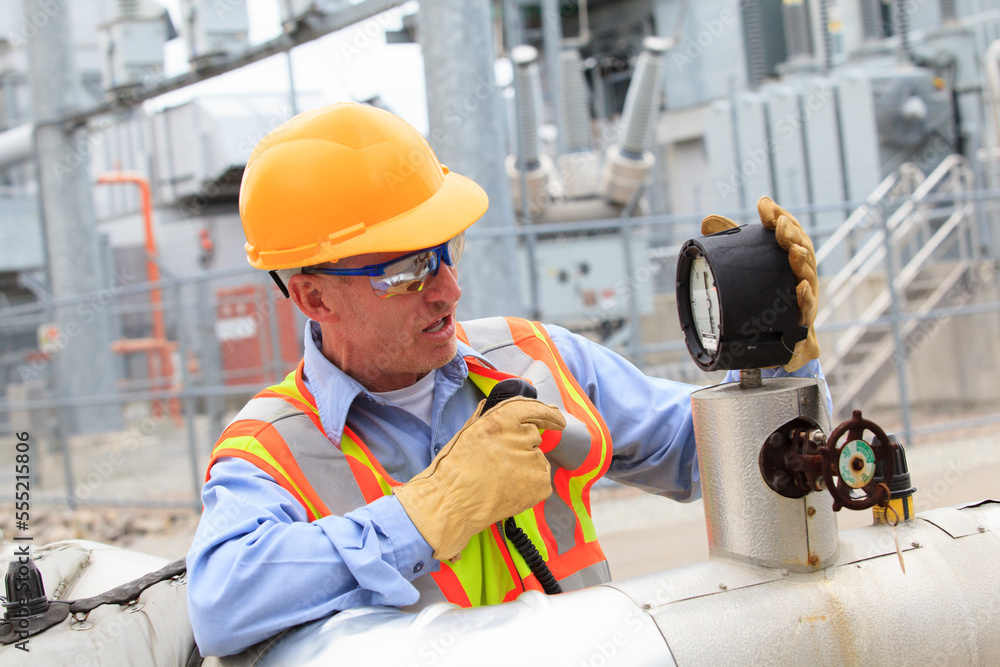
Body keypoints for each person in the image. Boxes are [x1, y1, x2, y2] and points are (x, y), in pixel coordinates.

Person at [186, 102, 827, 657]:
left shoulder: (535, 358)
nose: (449, 291)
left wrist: (779, 359)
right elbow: (222, 604)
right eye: (409, 269)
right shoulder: (271, 449)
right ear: (312, 298)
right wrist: (427, 512)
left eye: (448, 250)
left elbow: (711, 459)